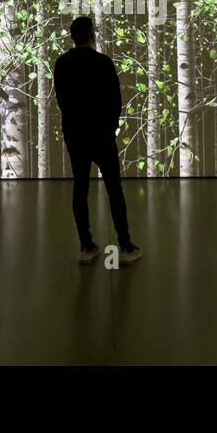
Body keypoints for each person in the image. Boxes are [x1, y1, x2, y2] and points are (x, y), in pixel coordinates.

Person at [53, 16, 141, 265]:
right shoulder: (103, 63)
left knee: (80, 187)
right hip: (101, 135)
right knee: (114, 189)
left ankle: (87, 245)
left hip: (75, 135)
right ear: (92, 35)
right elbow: (115, 101)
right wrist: (109, 128)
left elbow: (62, 101)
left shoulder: (62, 63)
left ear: (72, 36)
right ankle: (125, 245)